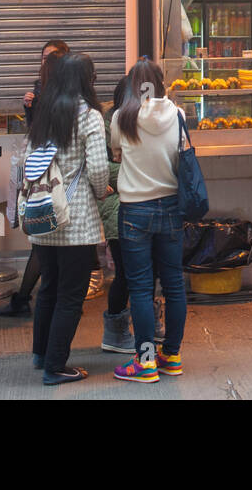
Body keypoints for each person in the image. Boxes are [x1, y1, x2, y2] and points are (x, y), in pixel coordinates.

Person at [24, 52, 110, 384]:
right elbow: (99, 169)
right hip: (75, 220)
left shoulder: (45, 113)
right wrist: (102, 190)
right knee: (71, 295)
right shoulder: (89, 117)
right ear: (87, 81)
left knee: (49, 287)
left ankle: (41, 354)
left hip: (44, 215)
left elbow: (31, 163)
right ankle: (56, 367)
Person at [111, 59, 187, 383]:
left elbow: (116, 154)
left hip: (135, 211)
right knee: (174, 284)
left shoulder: (122, 117)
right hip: (171, 206)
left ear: (133, 86)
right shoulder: (179, 115)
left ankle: (145, 362)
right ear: (161, 83)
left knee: (141, 288)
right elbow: (181, 152)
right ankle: (171, 355)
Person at [0, 42, 70, 318]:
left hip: (56, 178)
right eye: (43, 58)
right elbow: (36, 130)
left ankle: (34, 299)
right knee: (46, 241)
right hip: (44, 175)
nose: (45, 64)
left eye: (50, 59)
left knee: (45, 241)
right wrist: (29, 108)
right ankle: (40, 298)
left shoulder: (68, 96)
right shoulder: (40, 89)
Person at [100, 77, 136, 354]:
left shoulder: (146, 121)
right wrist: (136, 171)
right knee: (125, 274)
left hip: (140, 205)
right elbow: (104, 173)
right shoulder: (105, 124)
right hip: (116, 208)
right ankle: (115, 331)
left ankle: (148, 326)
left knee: (147, 273)